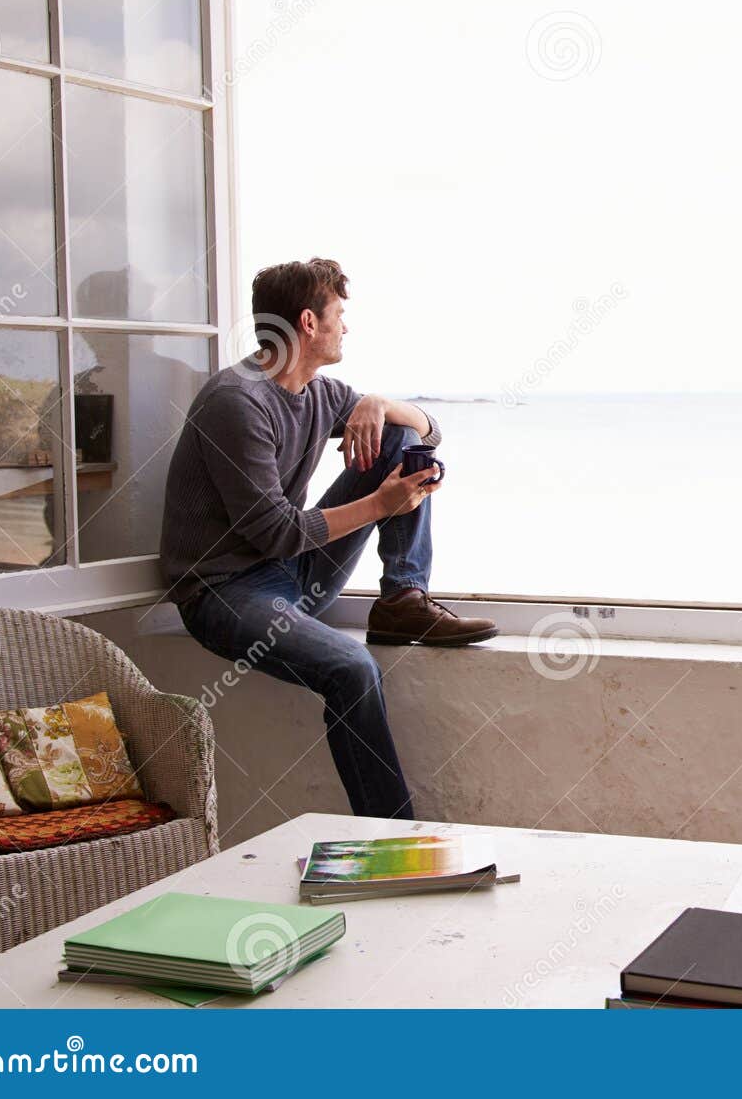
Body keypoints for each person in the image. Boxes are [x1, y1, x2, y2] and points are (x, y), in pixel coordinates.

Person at [159, 257, 496, 819]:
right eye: (340, 315)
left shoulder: (319, 392)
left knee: (396, 441)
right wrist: (381, 505)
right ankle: (392, 833)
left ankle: (401, 599)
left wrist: (380, 404)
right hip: (225, 594)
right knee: (351, 668)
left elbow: (429, 430)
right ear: (309, 322)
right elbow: (276, 531)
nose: (347, 327)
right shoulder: (236, 403)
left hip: (291, 573)